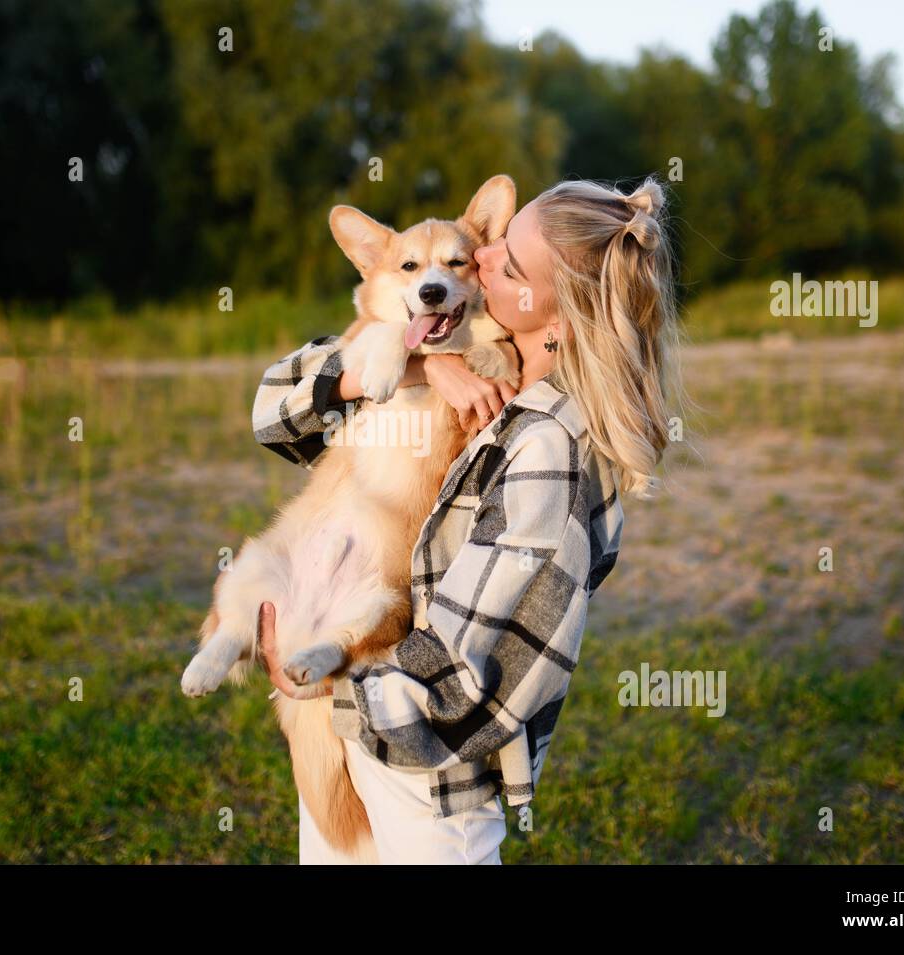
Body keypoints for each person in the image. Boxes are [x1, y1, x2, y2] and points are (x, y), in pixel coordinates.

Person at [251, 176, 682, 864]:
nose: (475, 260)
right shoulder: (457, 357)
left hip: (430, 773)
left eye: (504, 262)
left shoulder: (548, 450)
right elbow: (273, 408)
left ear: (559, 315)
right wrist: (422, 363)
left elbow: (460, 659)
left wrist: (325, 676)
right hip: (363, 716)